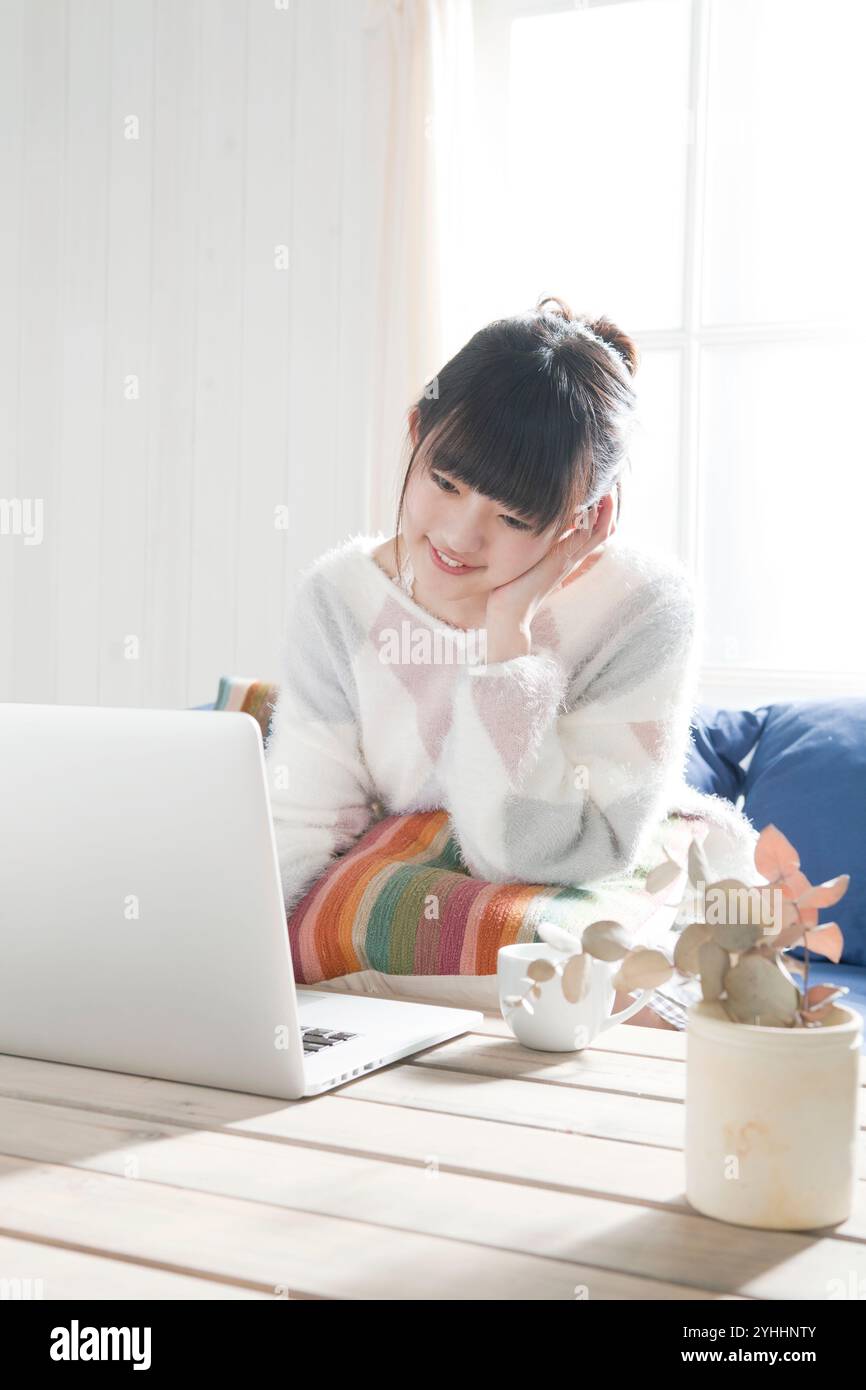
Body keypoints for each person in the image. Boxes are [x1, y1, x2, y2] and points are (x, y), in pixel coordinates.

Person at [264, 294, 760, 1029]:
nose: (461, 537)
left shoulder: (645, 606)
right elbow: (298, 827)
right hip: (421, 877)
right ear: (416, 433)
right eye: (445, 483)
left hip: (580, 863)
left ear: (586, 519)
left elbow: (535, 851)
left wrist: (510, 638)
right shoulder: (339, 598)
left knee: (569, 966)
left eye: (515, 517)